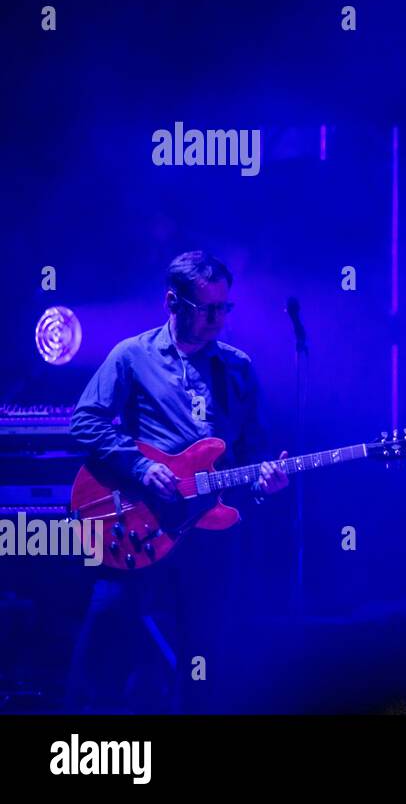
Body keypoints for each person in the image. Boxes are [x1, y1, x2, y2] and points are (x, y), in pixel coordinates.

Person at [65, 250, 289, 711]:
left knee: (204, 654)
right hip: (138, 522)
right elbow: (85, 420)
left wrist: (265, 479)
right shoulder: (132, 355)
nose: (217, 319)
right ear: (173, 302)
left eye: (224, 307)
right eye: (206, 308)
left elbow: (254, 451)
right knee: (108, 638)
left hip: (208, 531)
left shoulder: (238, 367)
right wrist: (142, 467)